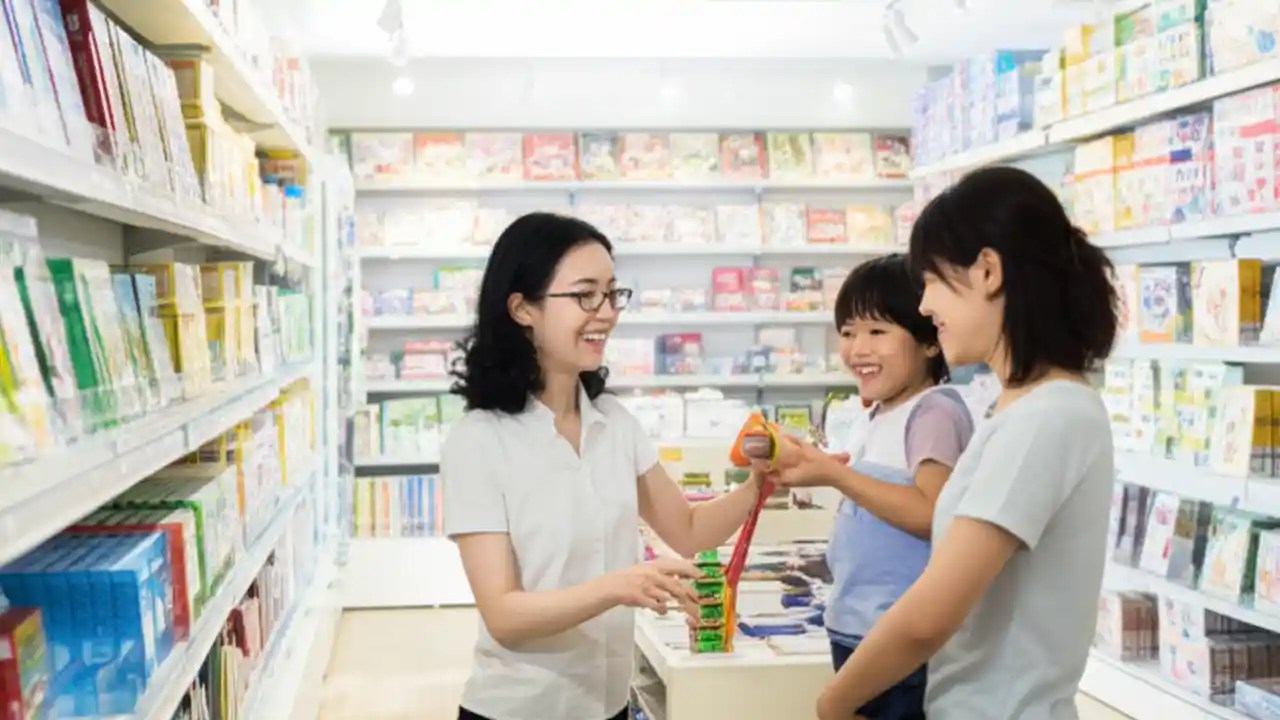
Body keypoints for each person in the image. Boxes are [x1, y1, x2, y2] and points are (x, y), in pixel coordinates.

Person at [810, 166, 1119, 720]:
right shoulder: (1022, 407)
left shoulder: (1046, 418)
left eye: (930, 281)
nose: (925, 306)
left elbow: (932, 613)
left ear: (987, 271)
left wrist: (834, 703)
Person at [440, 212, 770, 720]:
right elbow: (503, 614)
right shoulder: (479, 442)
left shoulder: (615, 423)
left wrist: (759, 483)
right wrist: (621, 585)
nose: (607, 312)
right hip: (519, 710)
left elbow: (687, 529)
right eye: (585, 294)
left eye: (613, 293)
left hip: (609, 705)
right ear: (523, 308)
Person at [765, 255, 975, 720]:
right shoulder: (878, 414)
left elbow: (929, 514)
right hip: (857, 631)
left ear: (929, 341)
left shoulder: (934, 412)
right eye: (847, 332)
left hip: (901, 645)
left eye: (877, 332)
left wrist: (836, 474)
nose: (858, 348)